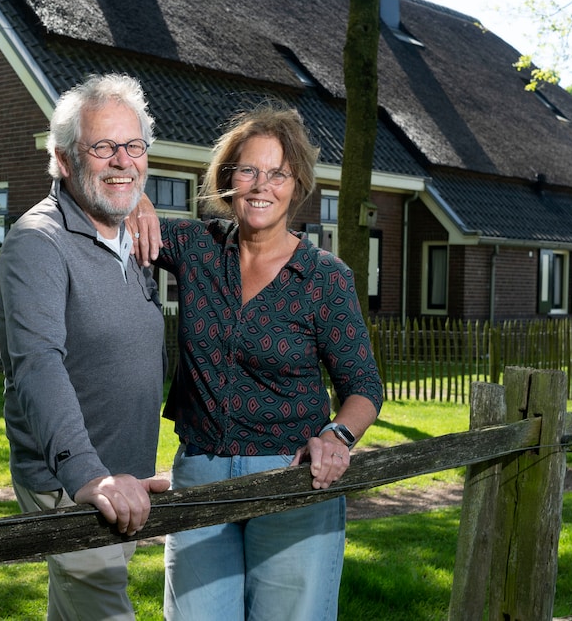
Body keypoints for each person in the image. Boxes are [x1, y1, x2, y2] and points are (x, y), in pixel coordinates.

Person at [131, 103, 383, 620]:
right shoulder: (196, 247)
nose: (260, 185)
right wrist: (135, 203)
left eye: (277, 173)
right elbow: (113, 213)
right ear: (228, 179)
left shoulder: (324, 279)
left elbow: (363, 386)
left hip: (292, 480)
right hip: (201, 480)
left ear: (297, 185)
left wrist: (337, 438)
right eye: (248, 170)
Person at [0, 73, 171, 621]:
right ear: (65, 160)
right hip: (71, 481)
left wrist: (139, 202)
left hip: (126, 472)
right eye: (103, 147)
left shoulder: (133, 236)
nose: (121, 161)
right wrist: (87, 476)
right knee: (103, 611)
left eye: (132, 147)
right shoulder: (37, 243)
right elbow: (37, 368)